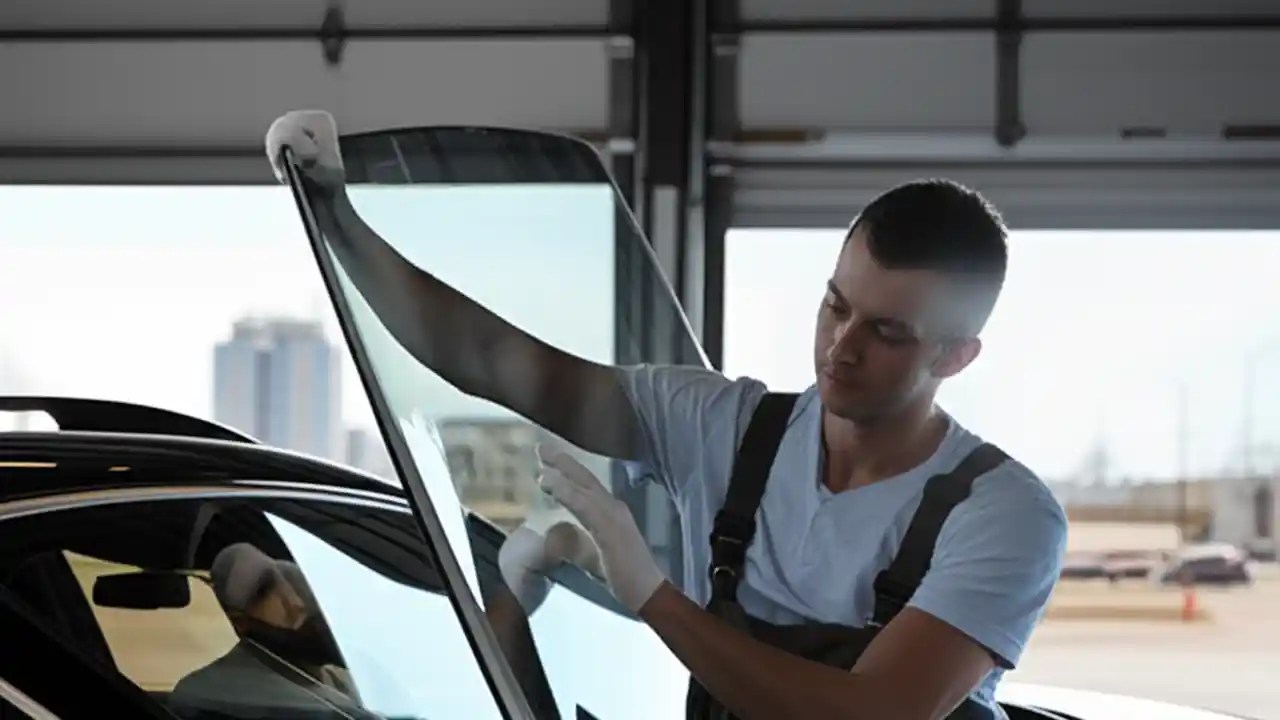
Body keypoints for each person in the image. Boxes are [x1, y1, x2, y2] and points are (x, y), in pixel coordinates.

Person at [265, 110, 1067, 720]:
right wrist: (337, 216)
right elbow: (489, 358)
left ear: (955, 357)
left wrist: (651, 592)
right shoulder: (720, 426)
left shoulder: (1004, 515)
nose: (841, 347)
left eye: (887, 333)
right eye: (834, 305)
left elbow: (875, 713)